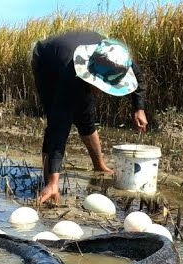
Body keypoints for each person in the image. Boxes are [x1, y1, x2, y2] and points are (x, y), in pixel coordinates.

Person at [30, 30, 147, 205]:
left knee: (85, 114)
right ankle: (49, 181)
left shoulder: (119, 60)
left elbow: (139, 80)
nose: (101, 91)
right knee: (57, 119)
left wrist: (139, 108)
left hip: (73, 55)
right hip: (47, 64)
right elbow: (59, 130)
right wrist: (54, 182)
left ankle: (99, 165)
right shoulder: (70, 74)